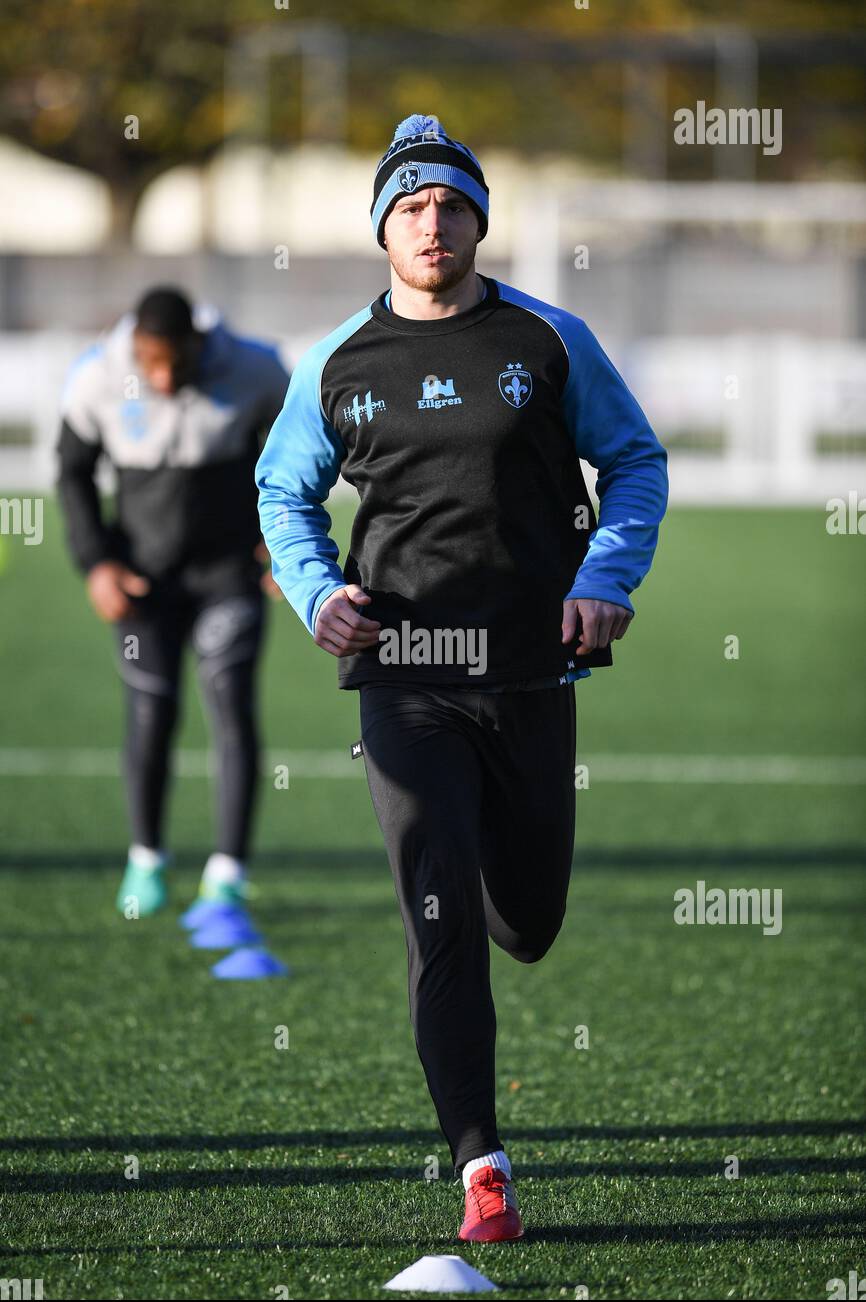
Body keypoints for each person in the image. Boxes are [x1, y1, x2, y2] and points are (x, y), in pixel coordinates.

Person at [256, 115, 668, 1241]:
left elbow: (633, 460)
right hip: (402, 674)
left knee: (523, 923)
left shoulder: (548, 340)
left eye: (450, 206)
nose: (430, 223)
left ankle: (497, 876)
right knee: (434, 911)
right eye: (409, 206)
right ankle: (479, 1162)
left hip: (530, 669)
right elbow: (280, 495)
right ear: (382, 227)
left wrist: (607, 578)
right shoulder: (337, 362)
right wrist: (317, 591)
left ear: (479, 220)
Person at [56, 287, 290, 918]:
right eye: (149, 363)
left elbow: (293, 459)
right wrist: (97, 562)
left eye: (174, 363)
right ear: (135, 348)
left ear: (197, 345)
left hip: (228, 579)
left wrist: (282, 543)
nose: (161, 377)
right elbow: (72, 471)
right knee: (151, 713)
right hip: (144, 587)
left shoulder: (256, 369)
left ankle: (228, 875)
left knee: (231, 707)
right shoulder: (97, 377)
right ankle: (147, 860)